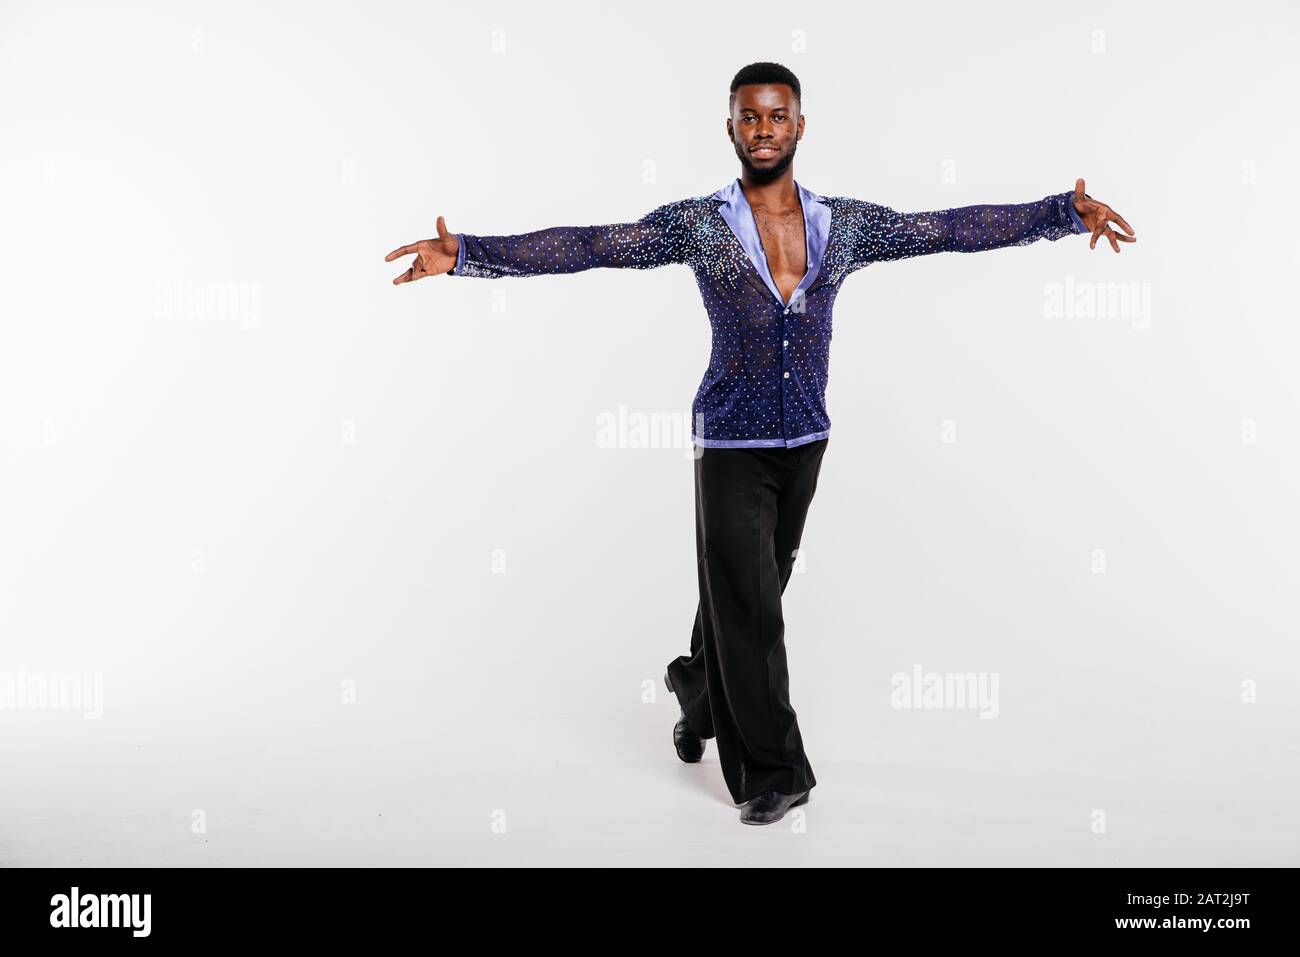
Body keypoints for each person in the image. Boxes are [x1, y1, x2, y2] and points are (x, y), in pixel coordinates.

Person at [384, 61, 1136, 826]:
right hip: (731, 443)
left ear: (800, 125)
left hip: (806, 439)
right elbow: (594, 242)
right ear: (731, 128)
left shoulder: (846, 224)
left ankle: (695, 690)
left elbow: (944, 229)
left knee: (754, 591)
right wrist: (470, 254)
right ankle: (776, 770)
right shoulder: (699, 223)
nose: (764, 129)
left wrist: (1061, 213)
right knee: (750, 607)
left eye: (778, 116)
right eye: (750, 117)